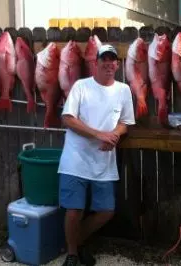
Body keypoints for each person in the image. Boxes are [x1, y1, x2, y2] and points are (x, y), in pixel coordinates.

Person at [58, 44, 136, 266]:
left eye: (113, 59)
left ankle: (75, 241)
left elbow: (126, 123)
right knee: (74, 209)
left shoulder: (123, 90)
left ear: (118, 64)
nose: (109, 63)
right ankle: (72, 254)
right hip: (75, 160)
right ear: (96, 62)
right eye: (105, 59)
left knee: (106, 211)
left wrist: (114, 136)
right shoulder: (81, 86)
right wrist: (99, 134)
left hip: (104, 162)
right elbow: (68, 119)